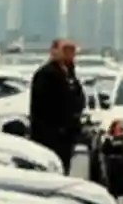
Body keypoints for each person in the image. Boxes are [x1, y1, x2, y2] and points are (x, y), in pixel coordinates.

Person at [29, 39, 86, 173]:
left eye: (72, 50)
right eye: (65, 50)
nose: (70, 54)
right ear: (54, 52)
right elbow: (47, 106)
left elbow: (78, 98)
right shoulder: (46, 74)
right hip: (51, 135)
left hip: (67, 135)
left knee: (64, 167)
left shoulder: (69, 74)